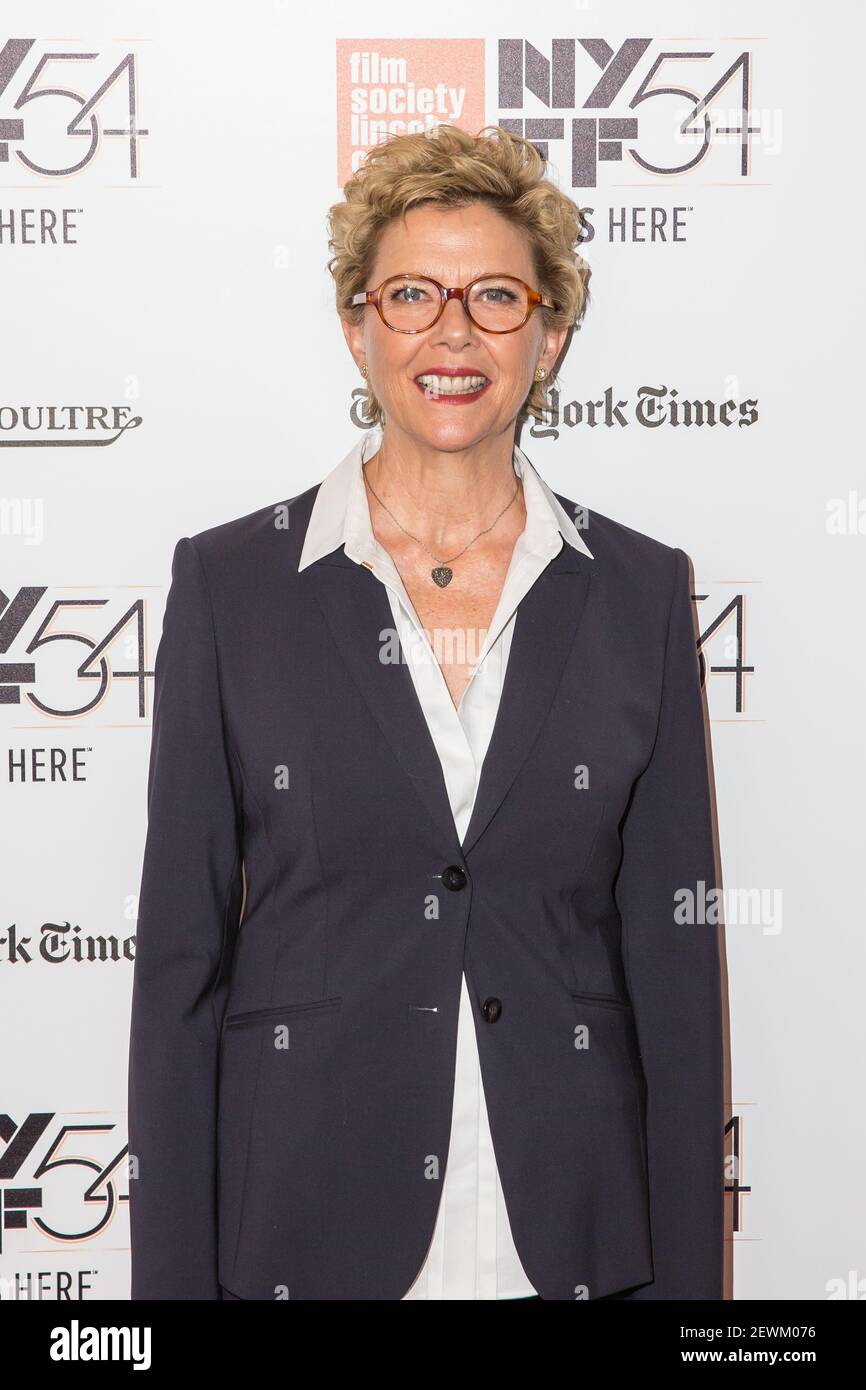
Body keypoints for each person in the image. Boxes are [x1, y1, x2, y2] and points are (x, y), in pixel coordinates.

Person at [127, 124, 725, 1301]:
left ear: (548, 333)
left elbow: (673, 978)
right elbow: (179, 970)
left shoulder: (640, 591)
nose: (452, 332)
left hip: (568, 1243)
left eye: (495, 295)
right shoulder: (229, 586)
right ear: (357, 325)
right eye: (411, 294)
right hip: (302, 1232)